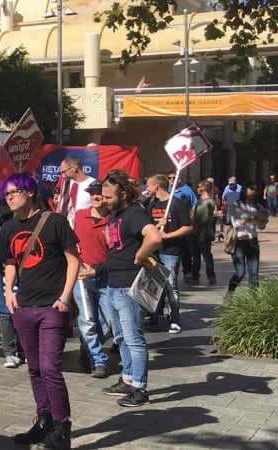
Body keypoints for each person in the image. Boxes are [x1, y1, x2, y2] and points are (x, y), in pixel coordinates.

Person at [0, 173, 80, 449]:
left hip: (52, 306)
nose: (8, 197)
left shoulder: (54, 221)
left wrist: (65, 298)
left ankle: (62, 427)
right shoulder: (8, 227)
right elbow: (10, 262)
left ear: (30, 192)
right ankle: (44, 421)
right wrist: (9, 291)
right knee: (34, 368)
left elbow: (73, 260)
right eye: (5, 193)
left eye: (13, 192)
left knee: (50, 368)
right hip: (24, 307)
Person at [82, 169, 161, 408]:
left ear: (123, 194)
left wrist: (140, 255)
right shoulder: (117, 216)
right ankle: (128, 380)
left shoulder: (135, 213)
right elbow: (117, 253)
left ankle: (139, 388)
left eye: (108, 197)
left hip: (129, 287)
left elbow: (154, 237)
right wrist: (97, 270)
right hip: (114, 284)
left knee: (133, 338)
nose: (103, 200)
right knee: (122, 338)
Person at [71, 179, 112, 378]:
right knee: (87, 321)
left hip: (105, 277)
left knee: (106, 323)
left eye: (100, 193)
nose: (95, 196)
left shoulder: (113, 219)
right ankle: (99, 360)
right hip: (81, 277)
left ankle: (86, 350)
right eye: (92, 193)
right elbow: (69, 239)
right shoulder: (79, 216)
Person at [145, 174, 191, 334]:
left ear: (157, 186)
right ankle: (155, 315)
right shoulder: (151, 205)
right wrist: (158, 226)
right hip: (155, 252)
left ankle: (174, 319)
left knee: (171, 286)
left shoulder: (176, 204)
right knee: (155, 285)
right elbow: (147, 227)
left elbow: (187, 227)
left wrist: (168, 235)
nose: (147, 188)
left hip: (171, 251)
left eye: (148, 185)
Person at [227, 181, 269, 294]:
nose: (253, 191)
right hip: (239, 242)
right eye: (251, 189)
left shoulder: (257, 206)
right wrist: (249, 219)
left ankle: (253, 300)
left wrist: (263, 221)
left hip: (253, 241)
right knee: (240, 272)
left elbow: (260, 226)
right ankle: (230, 293)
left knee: (254, 273)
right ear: (245, 190)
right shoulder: (235, 205)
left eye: (255, 189)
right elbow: (234, 223)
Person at [188, 180, 217, 285]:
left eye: (199, 186)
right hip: (194, 232)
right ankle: (195, 275)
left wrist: (202, 233)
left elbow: (207, 219)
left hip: (203, 234)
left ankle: (211, 275)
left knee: (206, 255)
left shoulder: (209, 202)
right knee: (195, 255)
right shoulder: (199, 201)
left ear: (204, 188)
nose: (197, 188)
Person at [58, 156, 96, 227]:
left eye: (64, 172)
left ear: (74, 168)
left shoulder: (93, 184)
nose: (63, 176)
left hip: (82, 227)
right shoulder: (66, 183)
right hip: (65, 227)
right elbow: (60, 205)